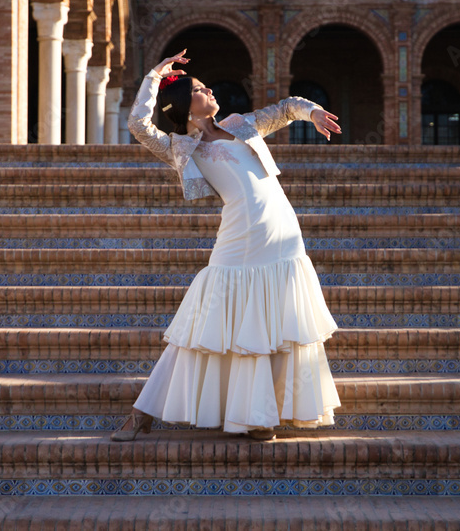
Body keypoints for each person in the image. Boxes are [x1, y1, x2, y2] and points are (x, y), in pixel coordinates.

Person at [111, 49, 342, 442]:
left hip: (284, 236)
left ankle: (258, 415)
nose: (210, 89)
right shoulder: (182, 147)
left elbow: (286, 108)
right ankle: (143, 412)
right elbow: (137, 124)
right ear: (185, 105)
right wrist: (154, 77)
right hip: (239, 239)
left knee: (277, 324)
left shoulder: (242, 125)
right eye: (200, 89)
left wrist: (313, 111)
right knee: (208, 326)